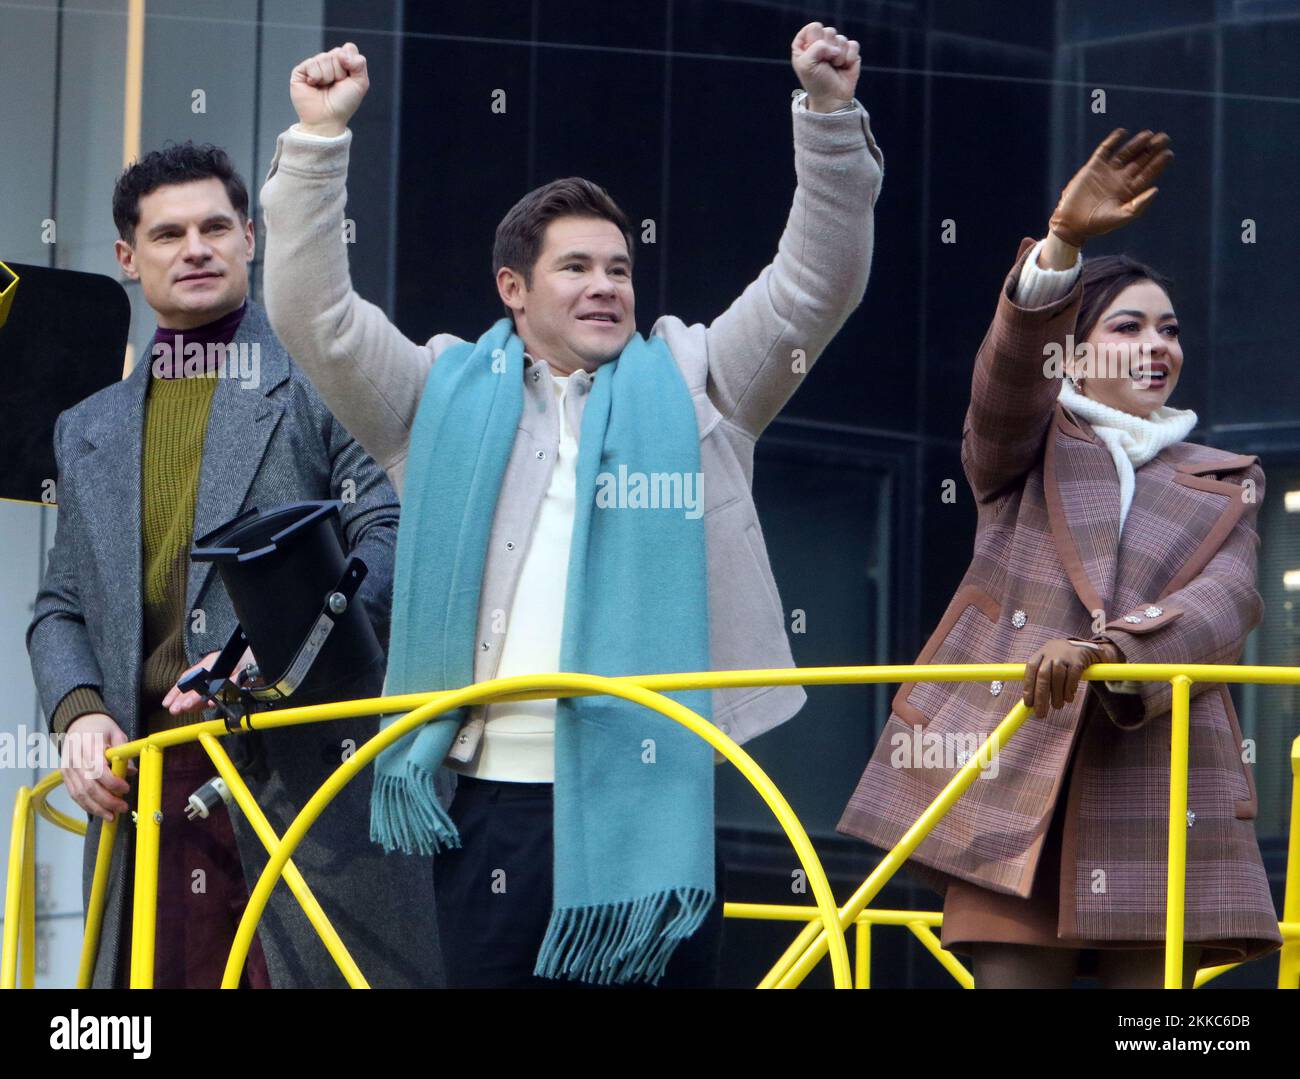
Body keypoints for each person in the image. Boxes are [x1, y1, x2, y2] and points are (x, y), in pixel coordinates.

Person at [259, 24, 884, 986]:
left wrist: (831, 119)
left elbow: (816, 286)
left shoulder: (698, 384)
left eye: (620, 268)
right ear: (513, 289)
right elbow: (315, 316)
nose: (606, 286)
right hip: (489, 806)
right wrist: (316, 144)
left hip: (655, 800)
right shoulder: (435, 394)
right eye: (576, 268)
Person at [838, 128, 1282, 988]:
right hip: (1014, 762)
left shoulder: (1228, 478)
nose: (1159, 344)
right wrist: (1064, 246)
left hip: (1156, 778)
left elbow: (1229, 605)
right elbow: (1005, 382)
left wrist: (1110, 654)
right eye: (1129, 326)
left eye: (1170, 329)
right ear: (1071, 351)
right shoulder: (1027, 444)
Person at [27, 142, 441, 988]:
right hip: (152, 777)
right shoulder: (87, 427)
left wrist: (279, 639)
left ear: (252, 237)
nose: (196, 247)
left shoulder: (325, 377)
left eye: (217, 226)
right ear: (126, 257)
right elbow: (62, 606)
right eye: (169, 233)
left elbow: (392, 537)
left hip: (308, 771)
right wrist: (80, 716)